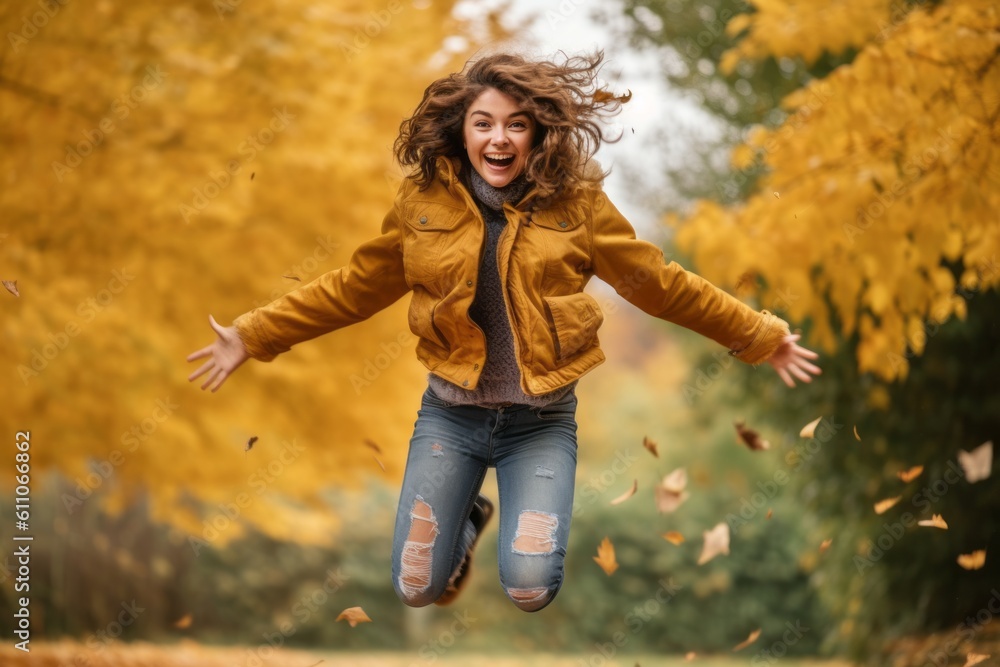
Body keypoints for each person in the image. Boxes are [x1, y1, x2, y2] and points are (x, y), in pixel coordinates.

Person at [187, 51, 821, 613]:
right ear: (460, 132)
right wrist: (253, 334)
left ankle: (497, 528)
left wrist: (760, 336)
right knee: (415, 586)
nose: (499, 138)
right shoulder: (421, 207)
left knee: (529, 589)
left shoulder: (578, 207)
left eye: (516, 124)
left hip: (540, 425)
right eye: (483, 123)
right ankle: (466, 518)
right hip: (450, 418)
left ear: (538, 134)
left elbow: (658, 284)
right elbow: (354, 287)